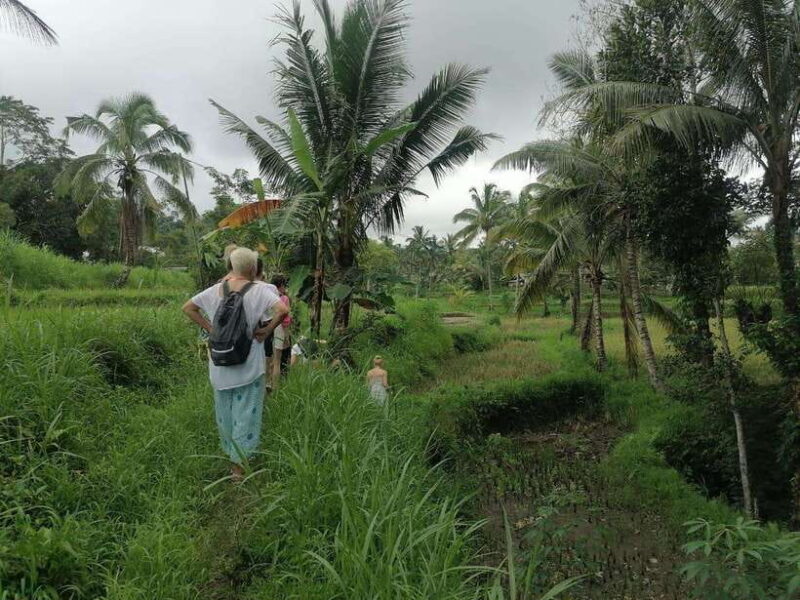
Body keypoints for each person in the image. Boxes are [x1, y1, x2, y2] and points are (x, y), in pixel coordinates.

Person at [182, 247, 288, 482]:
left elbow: (187, 307)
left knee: (226, 414)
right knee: (246, 415)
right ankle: (239, 468)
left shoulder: (214, 290)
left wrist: (212, 329)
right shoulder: (259, 290)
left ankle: (231, 456)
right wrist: (267, 330)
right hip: (249, 367)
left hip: (220, 367)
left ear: (231, 267)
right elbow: (283, 309)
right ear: (252, 268)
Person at [270, 273, 292, 388]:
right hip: (279, 328)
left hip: (267, 327)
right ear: (281, 285)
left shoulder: (268, 296)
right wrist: (287, 336)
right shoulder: (284, 298)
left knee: (270, 359)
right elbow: (286, 320)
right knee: (277, 361)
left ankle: (268, 383)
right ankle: (275, 387)